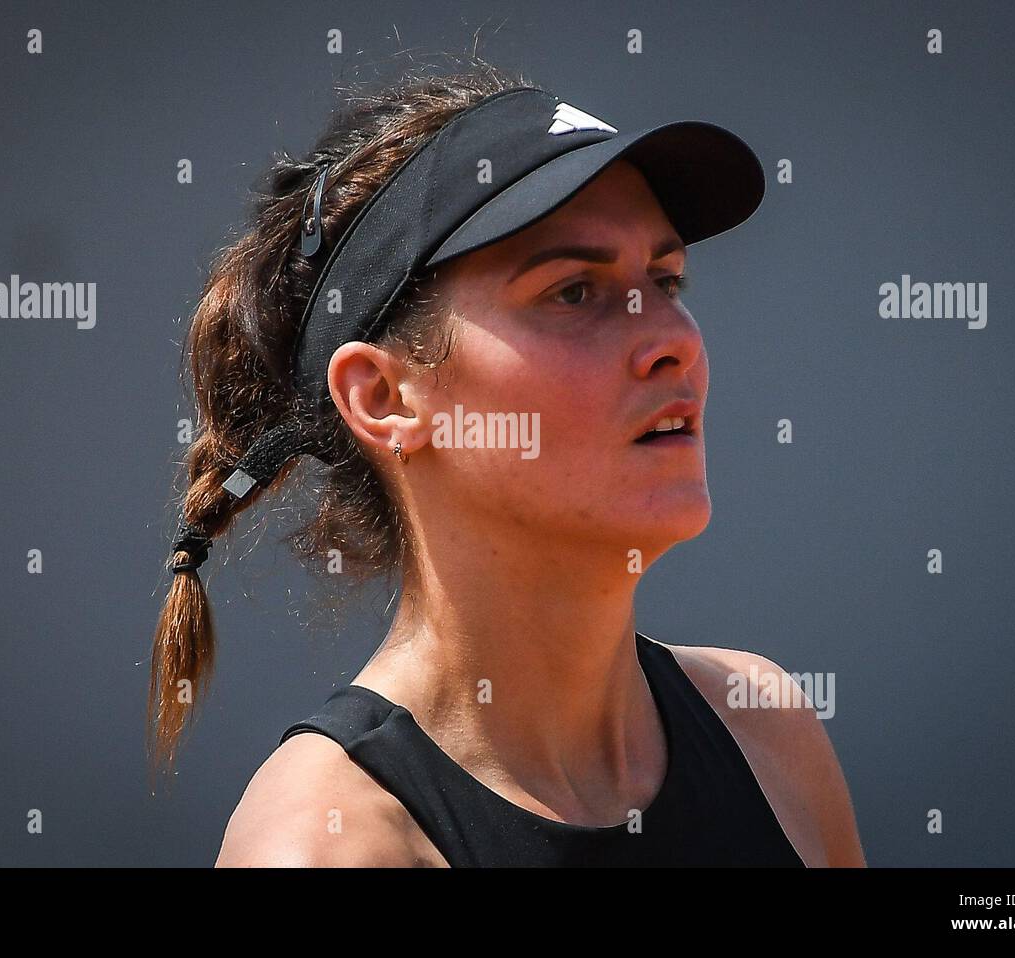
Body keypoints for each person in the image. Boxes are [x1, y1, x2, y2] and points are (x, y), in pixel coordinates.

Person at [150, 60, 866, 867]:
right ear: (385, 397)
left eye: (666, 279)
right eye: (573, 292)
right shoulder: (326, 847)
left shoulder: (762, 725)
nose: (676, 340)